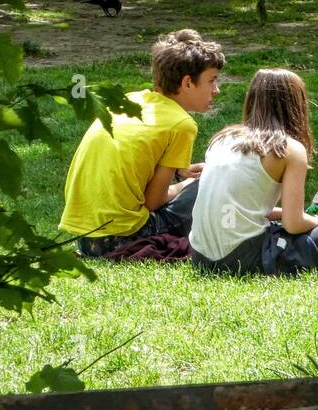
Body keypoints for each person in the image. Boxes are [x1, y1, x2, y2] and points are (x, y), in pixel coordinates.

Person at [189, 70, 318, 275]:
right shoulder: (288, 148)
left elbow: (244, 207)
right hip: (244, 259)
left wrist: (297, 216)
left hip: (201, 257)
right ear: (296, 105)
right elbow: (294, 225)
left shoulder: (222, 139)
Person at [58, 29, 225, 257]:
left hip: (83, 238)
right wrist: (183, 186)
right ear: (187, 83)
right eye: (212, 81)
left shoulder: (129, 100)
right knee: (214, 181)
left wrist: (179, 173)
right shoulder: (182, 124)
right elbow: (153, 202)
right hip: (123, 238)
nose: (217, 90)